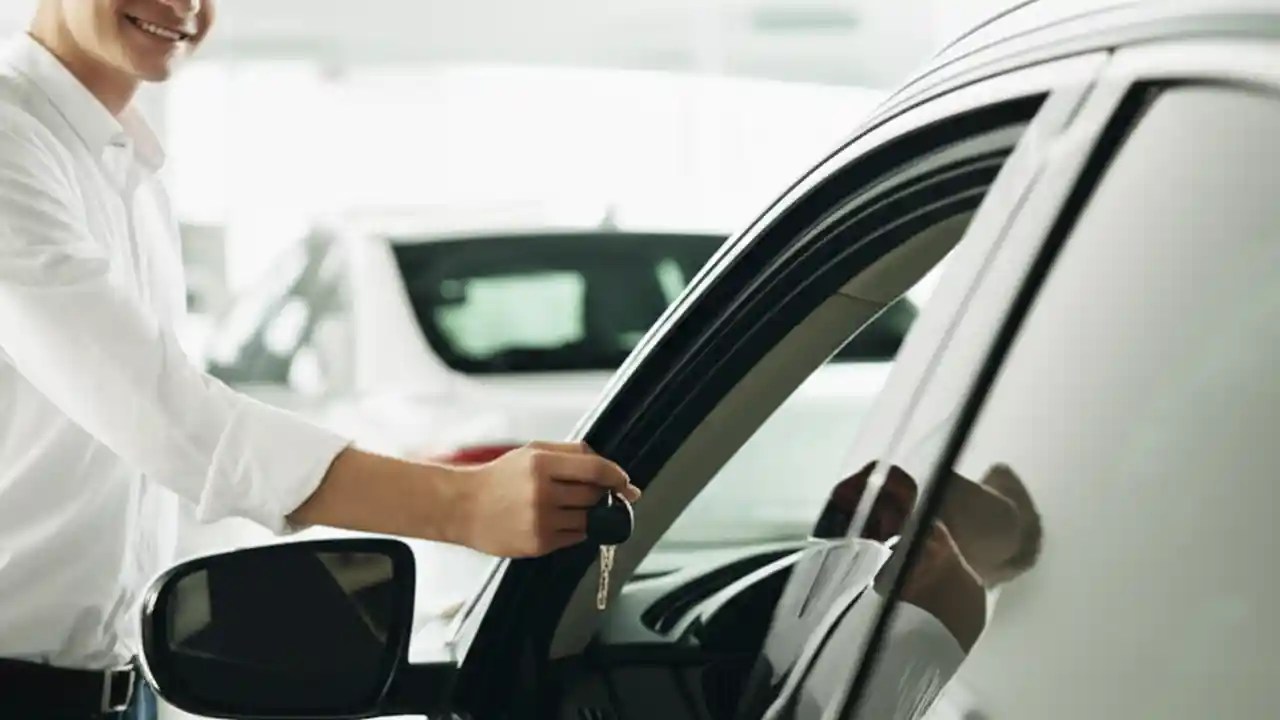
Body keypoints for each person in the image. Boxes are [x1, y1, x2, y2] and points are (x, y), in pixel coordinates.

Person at [0, 2, 640, 718]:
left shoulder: (124, 162)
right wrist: (461, 504)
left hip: (113, 687)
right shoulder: (7, 138)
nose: (183, 4)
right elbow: (162, 411)